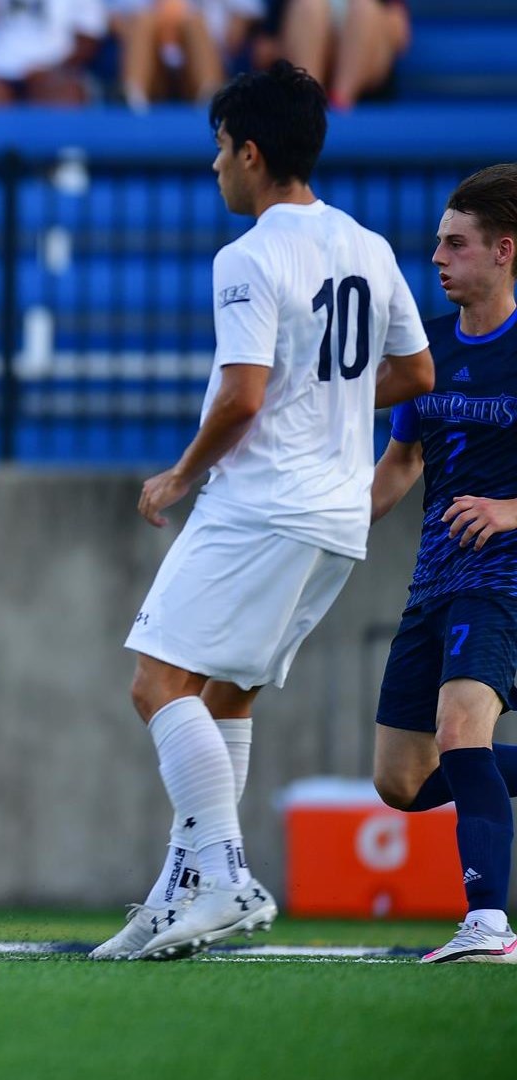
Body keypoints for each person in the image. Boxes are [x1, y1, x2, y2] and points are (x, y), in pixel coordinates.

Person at [99, 61, 434, 961]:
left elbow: (244, 398)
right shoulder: (369, 245)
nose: (215, 167)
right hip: (337, 514)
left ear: (252, 152)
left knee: (155, 683)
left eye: (219, 149)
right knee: (225, 696)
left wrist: (176, 476)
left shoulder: (248, 257)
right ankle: (181, 893)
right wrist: (328, 400)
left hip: (262, 505)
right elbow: (416, 374)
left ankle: (225, 873)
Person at [368, 163, 517, 964]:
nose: (436, 257)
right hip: (433, 582)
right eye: (436, 243)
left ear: (503, 251)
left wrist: (508, 512)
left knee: (462, 726)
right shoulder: (424, 353)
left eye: (455, 244)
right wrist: (330, 528)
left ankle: (489, 924)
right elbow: (401, 461)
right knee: (402, 779)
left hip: (503, 580)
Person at [0, 0, 107, 106]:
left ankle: (64, 158)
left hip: (54, 67)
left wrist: (56, 69)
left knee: (64, 98)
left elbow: (89, 37)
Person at [108, 0, 260, 109]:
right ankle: (132, 99)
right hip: (153, 69)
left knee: (193, 23)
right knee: (144, 21)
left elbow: (236, 32)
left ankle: (210, 102)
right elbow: (115, 20)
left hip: (206, 62)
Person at [276, 0, 408, 111]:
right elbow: (265, 49)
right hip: (304, 64)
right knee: (309, 6)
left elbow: (400, 36)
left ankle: (340, 103)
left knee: (364, 9)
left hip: (367, 72)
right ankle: (310, 102)